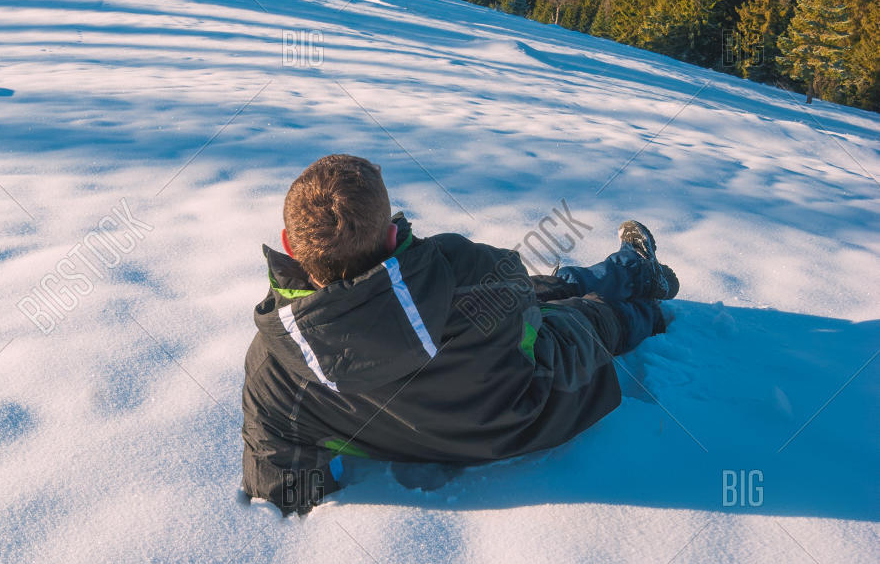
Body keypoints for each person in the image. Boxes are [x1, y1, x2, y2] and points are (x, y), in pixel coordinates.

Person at [242, 153, 678, 515]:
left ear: (289, 243)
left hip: (454, 422)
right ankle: (647, 304)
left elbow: (281, 481)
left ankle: (630, 272)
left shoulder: (272, 367)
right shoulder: (460, 267)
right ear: (392, 234)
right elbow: (527, 316)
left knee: (520, 297)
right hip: (529, 413)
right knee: (584, 318)